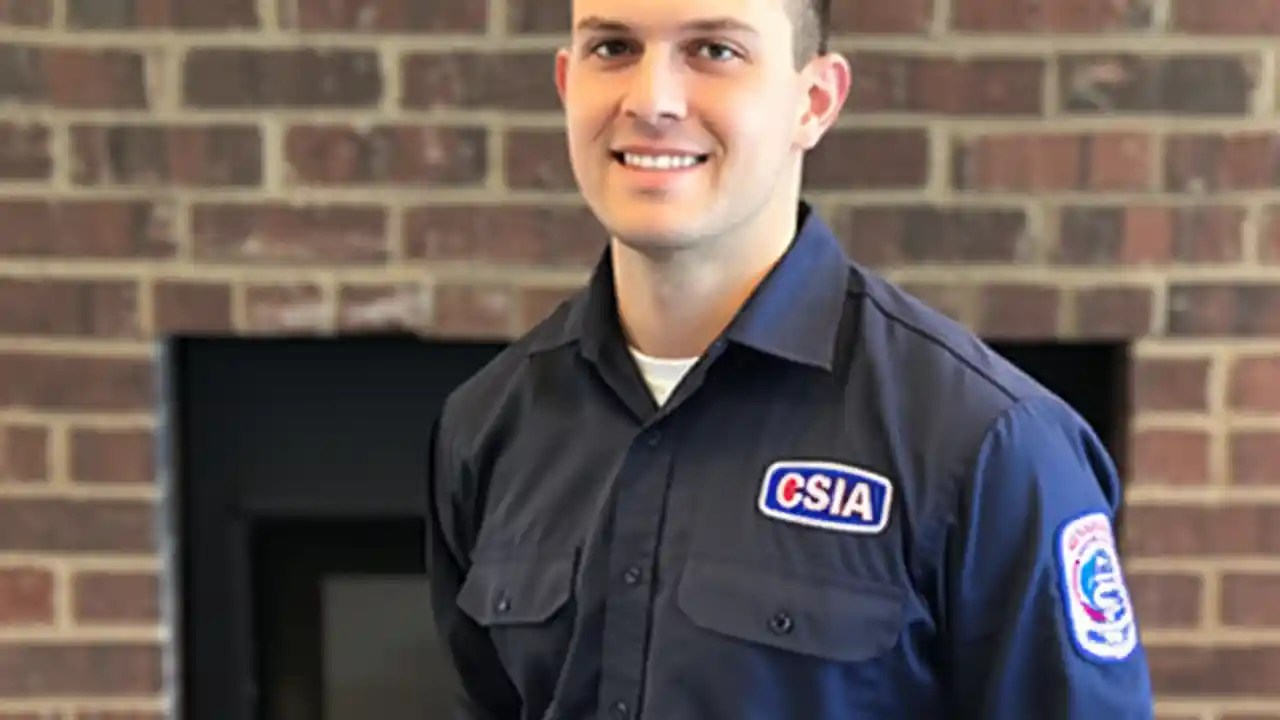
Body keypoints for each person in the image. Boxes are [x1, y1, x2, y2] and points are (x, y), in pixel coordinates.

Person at [424, 0, 1156, 716]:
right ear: (566, 82)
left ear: (814, 101)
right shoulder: (486, 426)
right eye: (612, 48)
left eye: (714, 50)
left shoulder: (991, 442)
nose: (651, 100)